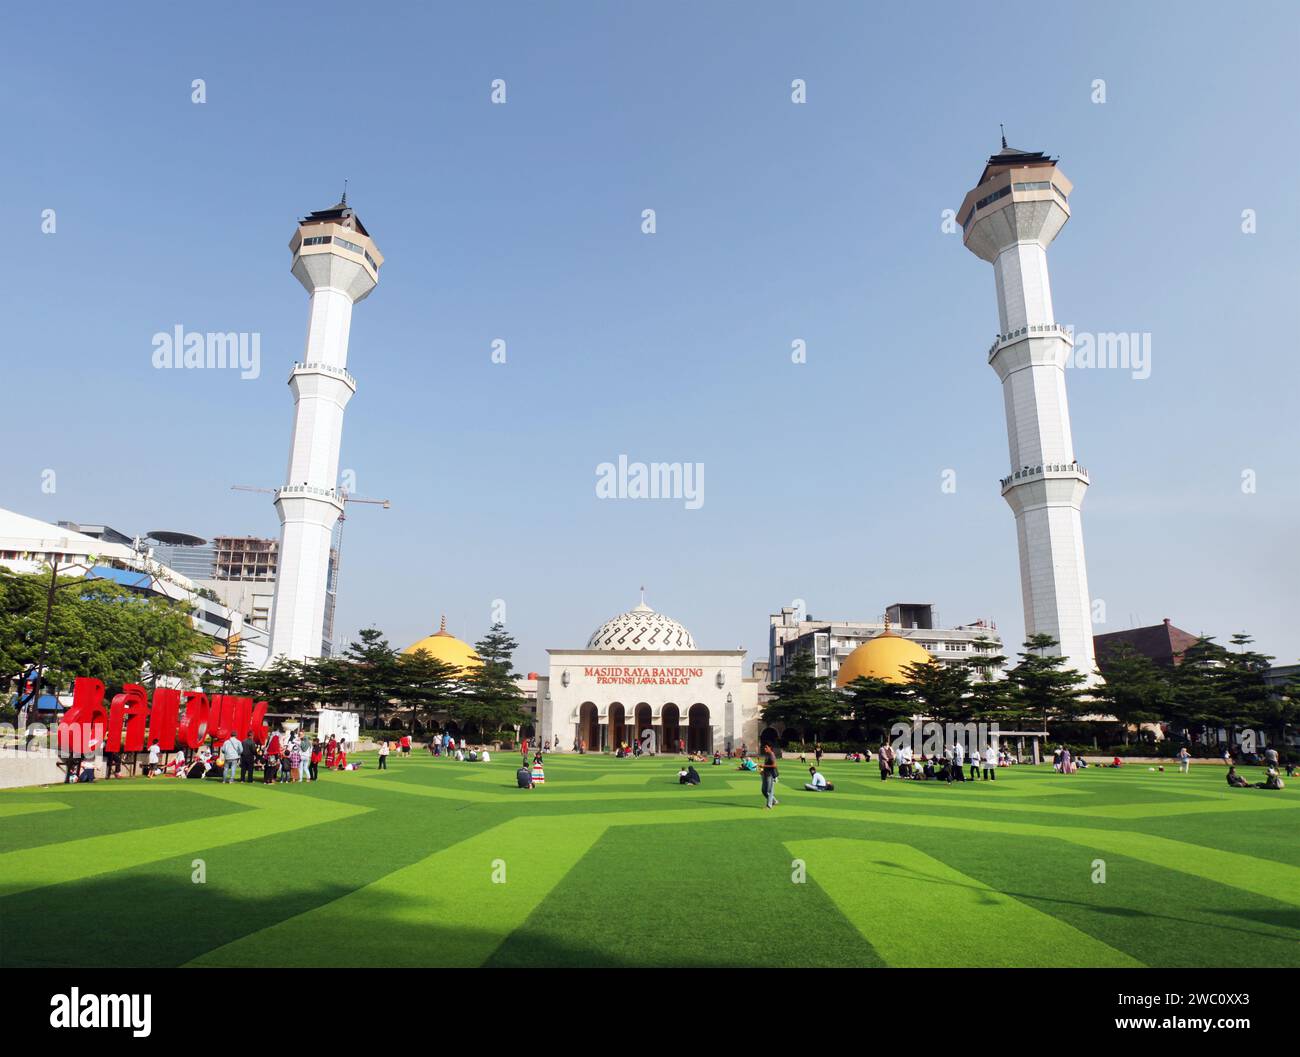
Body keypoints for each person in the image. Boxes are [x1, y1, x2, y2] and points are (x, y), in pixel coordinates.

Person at [760, 742, 779, 809]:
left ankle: (769, 806)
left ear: (770, 748)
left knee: (769, 791)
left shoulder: (771, 754)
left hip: (770, 775)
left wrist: (763, 765)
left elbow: (774, 765)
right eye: (764, 747)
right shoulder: (767, 754)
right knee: (763, 790)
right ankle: (774, 801)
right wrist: (762, 770)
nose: (765, 748)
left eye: (766, 747)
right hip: (766, 773)